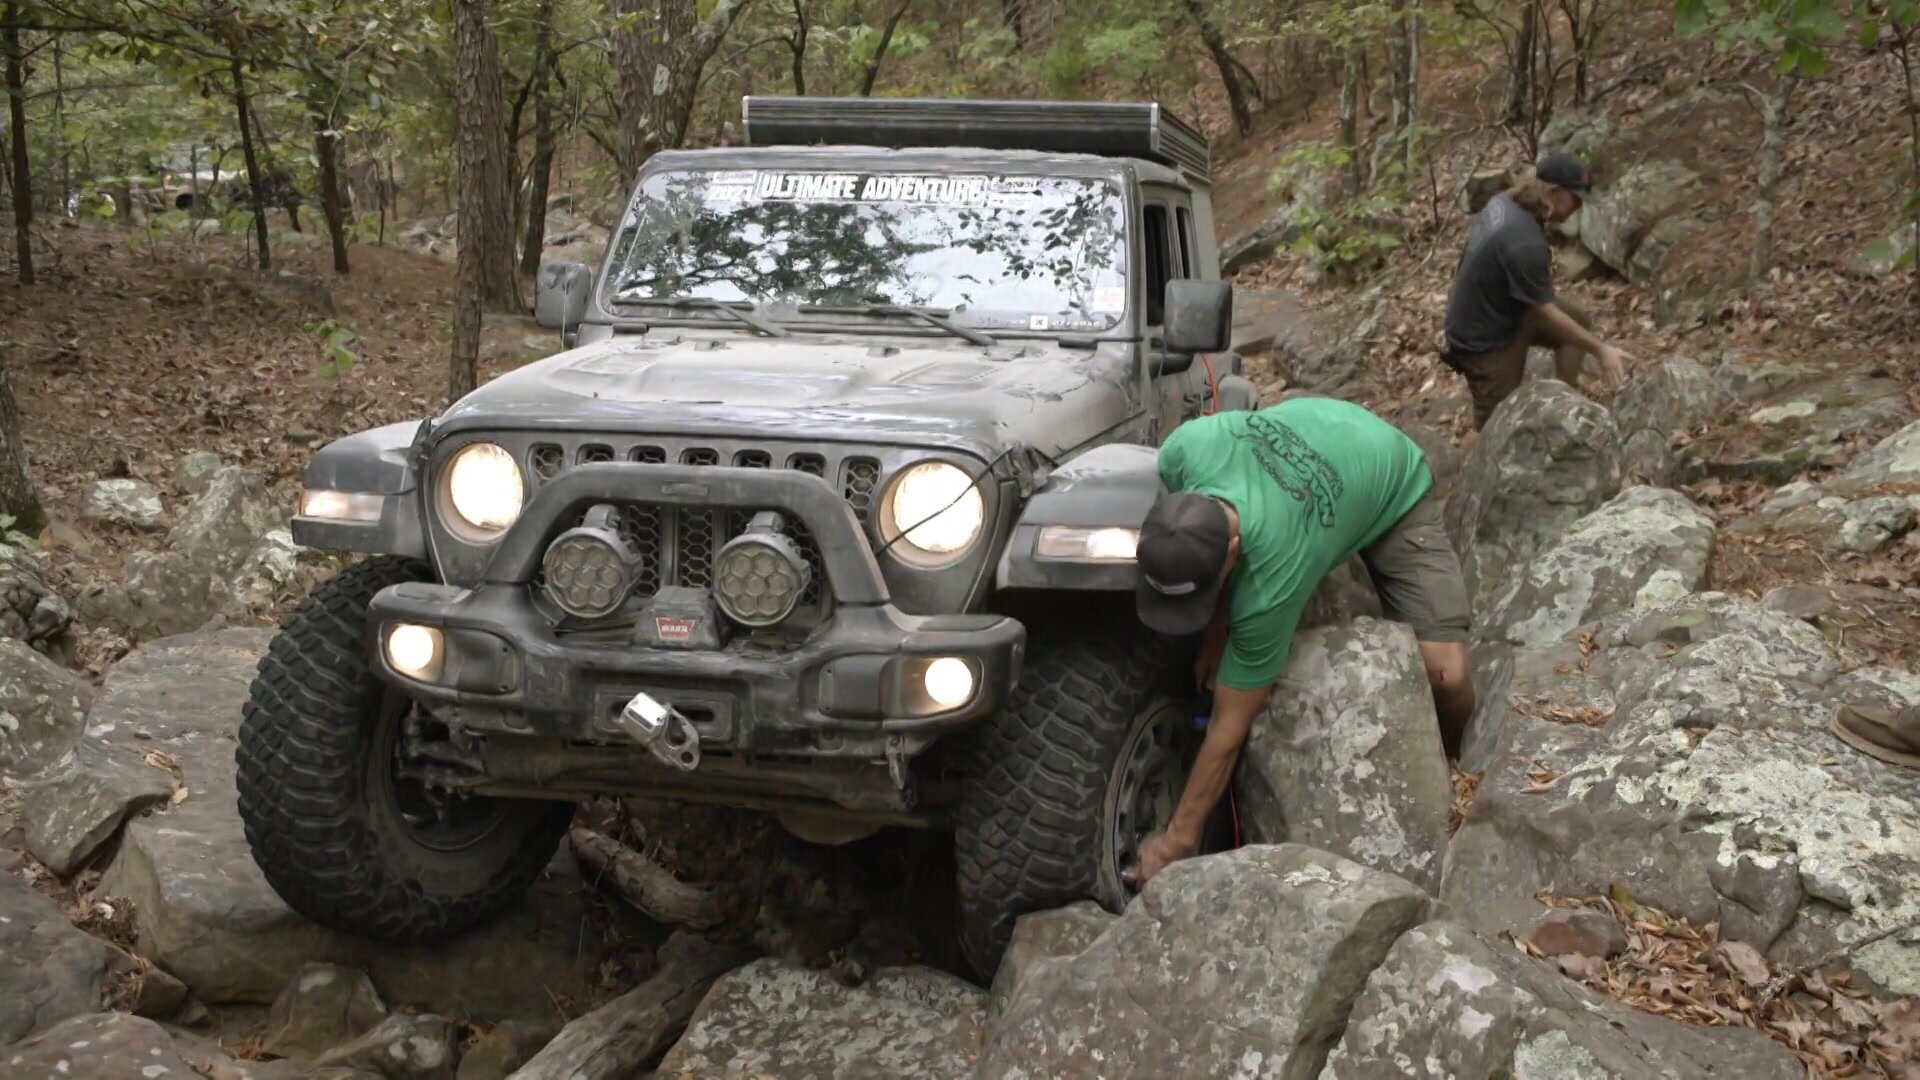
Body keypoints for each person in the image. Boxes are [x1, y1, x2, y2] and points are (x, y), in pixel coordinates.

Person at [1126, 396, 1475, 888]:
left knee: (1449, 674)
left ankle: (1459, 764)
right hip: (1320, 432)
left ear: (1232, 552)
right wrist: (1214, 630)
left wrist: (1177, 840)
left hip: (1387, 474)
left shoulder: (1271, 579)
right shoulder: (1183, 451)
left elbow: (1229, 728)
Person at [1440, 152, 1637, 430]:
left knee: (1577, 323)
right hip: (1482, 340)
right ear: (1554, 193)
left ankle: (1562, 404)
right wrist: (1601, 350)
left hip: (1508, 305)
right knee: (1494, 428)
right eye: (1576, 200)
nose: (1578, 208)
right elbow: (1547, 310)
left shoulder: (1506, 201)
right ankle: (1473, 467)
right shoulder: (1523, 243)